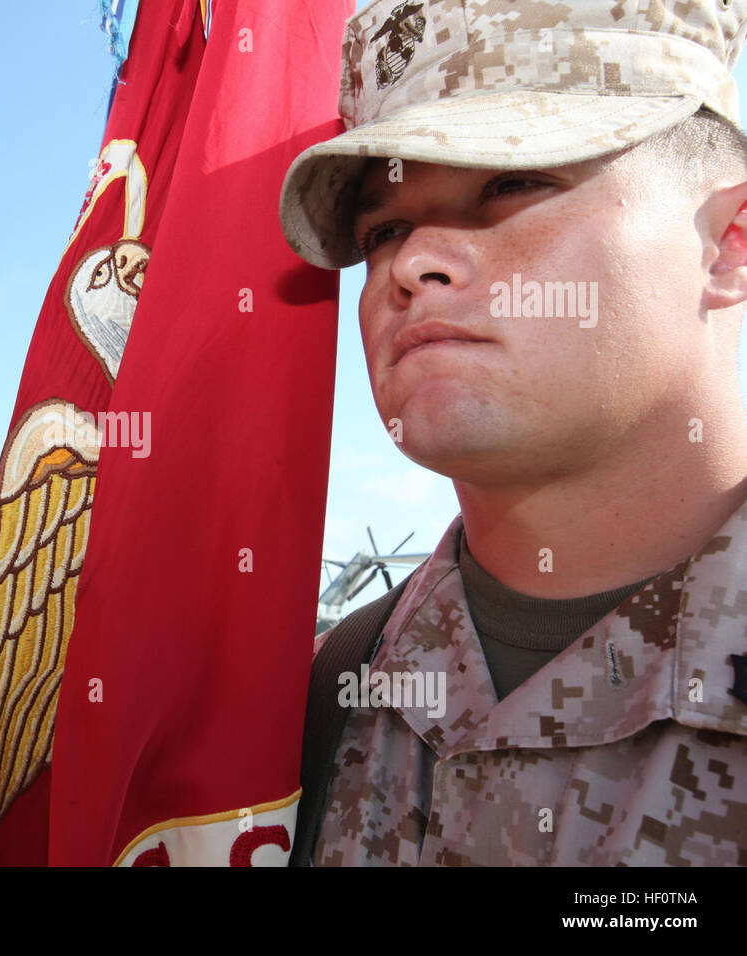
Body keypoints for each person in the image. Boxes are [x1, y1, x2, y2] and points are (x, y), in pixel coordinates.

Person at [278, 0, 747, 865]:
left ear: (728, 245)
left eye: (512, 182)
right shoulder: (323, 693)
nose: (413, 265)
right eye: (383, 231)